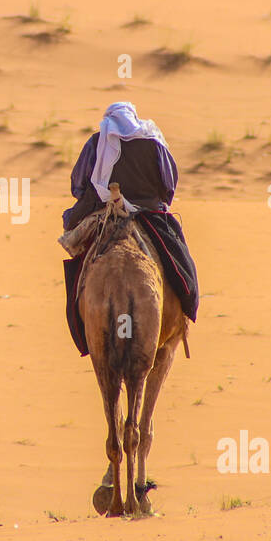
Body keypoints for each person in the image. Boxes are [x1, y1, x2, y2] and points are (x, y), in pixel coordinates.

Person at [61, 102, 199, 356]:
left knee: (75, 247)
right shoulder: (153, 140)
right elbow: (169, 184)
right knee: (179, 257)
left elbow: (78, 184)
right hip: (150, 212)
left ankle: (79, 323)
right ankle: (187, 307)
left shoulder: (97, 141)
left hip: (105, 208)